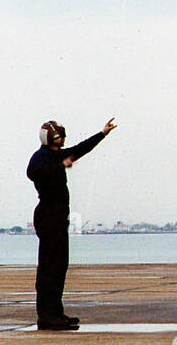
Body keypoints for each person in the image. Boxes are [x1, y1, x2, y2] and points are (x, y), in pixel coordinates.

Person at [26, 117, 116, 329]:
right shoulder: (40, 158)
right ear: (51, 138)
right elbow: (33, 173)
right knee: (49, 269)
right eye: (60, 137)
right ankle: (46, 316)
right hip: (48, 218)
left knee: (59, 268)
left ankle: (56, 313)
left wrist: (102, 134)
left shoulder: (56, 155)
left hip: (58, 219)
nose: (64, 140)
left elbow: (81, 149)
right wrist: (60, 167)